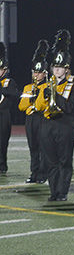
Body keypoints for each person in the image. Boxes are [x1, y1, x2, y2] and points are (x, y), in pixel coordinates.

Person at [37, 30, 74, 202]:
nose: (57, 69)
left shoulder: (73, 84)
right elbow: (39, 107)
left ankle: (62, 192)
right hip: (47, 125)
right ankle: (54, 191)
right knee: (50, 161)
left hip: (64, 125)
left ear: (67, 69)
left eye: (60, 67)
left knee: (64, 161)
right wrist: (44, 94)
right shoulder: (47, 84)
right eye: (55, 67)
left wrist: (57, 95)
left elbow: (71, 107)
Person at [19, 40, 49, 184]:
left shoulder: (47, 87)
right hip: (30, 120)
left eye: (39, 72)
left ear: (45, 74)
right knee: (33, 148)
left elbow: (42, 105)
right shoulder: (27, 87)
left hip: (41, 119)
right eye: (35, 72)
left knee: (42, 147)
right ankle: (34, 173)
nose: (36, 75)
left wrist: (33, 106)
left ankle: (43, 174)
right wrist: (32, 104)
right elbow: (21, 106)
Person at [0, 43, 19, 176]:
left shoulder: (9, 82)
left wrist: (4, 90)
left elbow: (15, 94)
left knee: (2, 142)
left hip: (3, 115)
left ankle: (2, 166)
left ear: (5, 70)